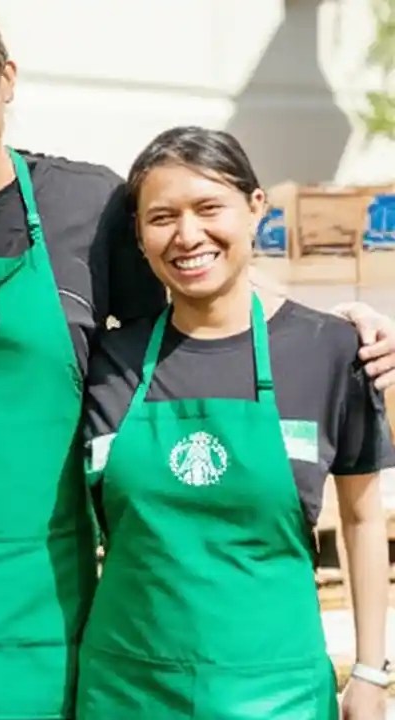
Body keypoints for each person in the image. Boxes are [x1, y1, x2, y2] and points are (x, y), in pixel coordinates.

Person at [0, 2, 395, 719]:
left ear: (6, 78)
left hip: (42, 596)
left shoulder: (86, 206)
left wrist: (324, 324)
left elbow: (195, 286)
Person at [79, 126, 393, 720]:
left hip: (279, 695)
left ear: (255, 210)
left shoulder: (330, 351)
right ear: (140, 239)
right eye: (162, 217)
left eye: (208, 208)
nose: (187, 234)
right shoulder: (105, 363)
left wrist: (373, 672)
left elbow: (361, 517)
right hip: (127, 689)